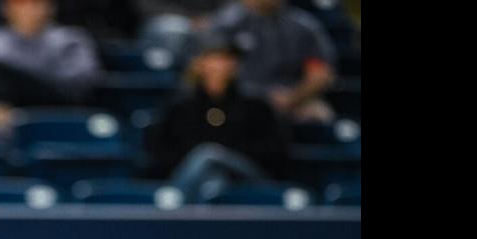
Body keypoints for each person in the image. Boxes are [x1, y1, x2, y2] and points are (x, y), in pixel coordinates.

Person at [143, 32, 288, 201]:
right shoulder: (180, 107)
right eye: (215, 58)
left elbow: (274, 151)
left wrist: (225, 154)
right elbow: (160, 151)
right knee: (213, 182)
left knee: (209, 155)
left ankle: (172, 201)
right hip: (199, 177)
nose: (221, 66)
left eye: (227, 59)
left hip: (247, 176)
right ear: (200, 64)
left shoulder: (256, 107)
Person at [0, 0, 103, 128]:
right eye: (22, 3)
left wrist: (5, 81)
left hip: (56, 111)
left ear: (51, 7)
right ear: (6, 8)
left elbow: (77, 90)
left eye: (37, 3)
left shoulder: (71, 40)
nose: (30, 9)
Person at [206, 0, 337, 124]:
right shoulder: (225, 23)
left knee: (320, 113)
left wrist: (293, 98)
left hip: (289, 98)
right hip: (235, 99)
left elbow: (320, 75)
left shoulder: (303, 27)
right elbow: (210, 73)